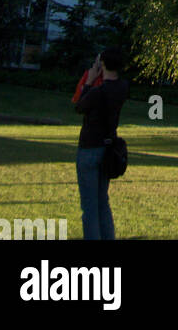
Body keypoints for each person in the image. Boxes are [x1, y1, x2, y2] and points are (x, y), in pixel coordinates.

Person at [73, 46, 129, 240]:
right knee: (102, 202)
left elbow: (80, 106)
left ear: (103, 64)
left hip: (89, 148)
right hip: (107, 148)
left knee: (89, 206)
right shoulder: (122, 87)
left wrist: (88, 81)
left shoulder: (98, 91)